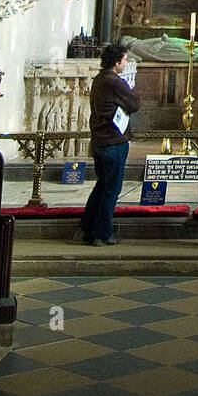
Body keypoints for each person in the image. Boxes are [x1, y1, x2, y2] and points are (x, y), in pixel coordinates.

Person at [77, 43, 140, 246]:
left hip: (99, 141)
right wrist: (130, 90)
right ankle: (101, 233)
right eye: (124, 60)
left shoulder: (99, 79)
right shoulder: (115, 82)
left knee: (102, 184)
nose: (126, 63)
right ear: (116, 62)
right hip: (114, 141)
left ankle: (87, 227)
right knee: (112, 188)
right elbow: (134, 104)